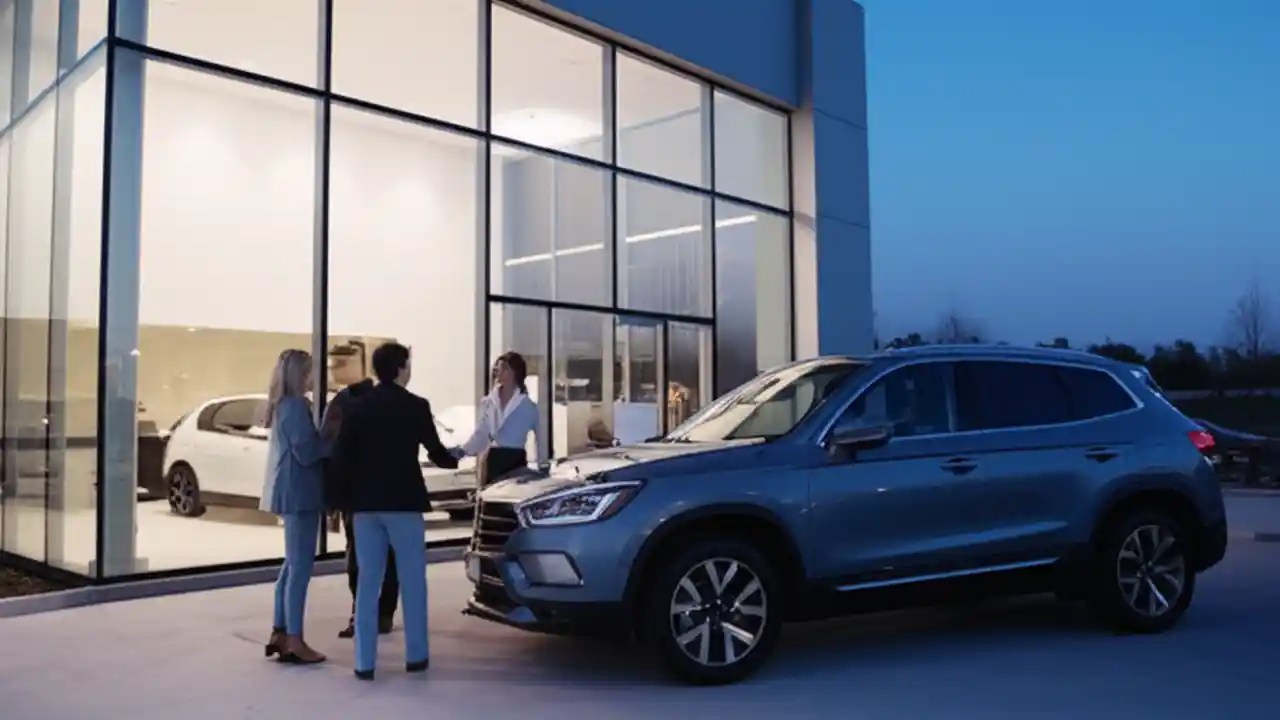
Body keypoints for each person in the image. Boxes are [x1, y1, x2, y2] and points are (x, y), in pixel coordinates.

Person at [333, 343, 458, 681]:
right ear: (402, 367)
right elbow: (437, 453)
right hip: (404, 503)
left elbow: (343, 458)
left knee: (368, 582)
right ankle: (416, 656)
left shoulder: (357, 407)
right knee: (413, 580)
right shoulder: (416, 406)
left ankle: (364, 662)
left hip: (365, 506)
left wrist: (342, 501)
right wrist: (460, 456)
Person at [261, 349, 333, 665]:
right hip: (300, 492)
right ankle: (294, 638)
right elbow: (307, 452)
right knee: (300, 567)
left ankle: (280, 631)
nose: (315, 376)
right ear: (300, 374)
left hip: (291, 490)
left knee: (291, 565)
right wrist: (331, 439)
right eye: (311, 371)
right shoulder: (295, 406)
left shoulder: (282, 405)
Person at [323, 346, 398, 640]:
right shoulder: (343, 401)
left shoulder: (359, 402)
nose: (335, 368)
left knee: (370, 556)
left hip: (370, 492)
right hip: (363, 493)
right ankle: (369, 613)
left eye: (342, 362)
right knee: (366, 556)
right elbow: (332, 448)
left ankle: (376, 613)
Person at [452, 351, 544, 486]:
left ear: (514, 372)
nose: (498, 371)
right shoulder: (488, 402)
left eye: (503, 368)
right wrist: (463, 451)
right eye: (497, 368)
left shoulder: (528, 406)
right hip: (492, 460)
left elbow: (541, 440)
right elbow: (481, 434)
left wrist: (543, 467)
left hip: (515, 462)